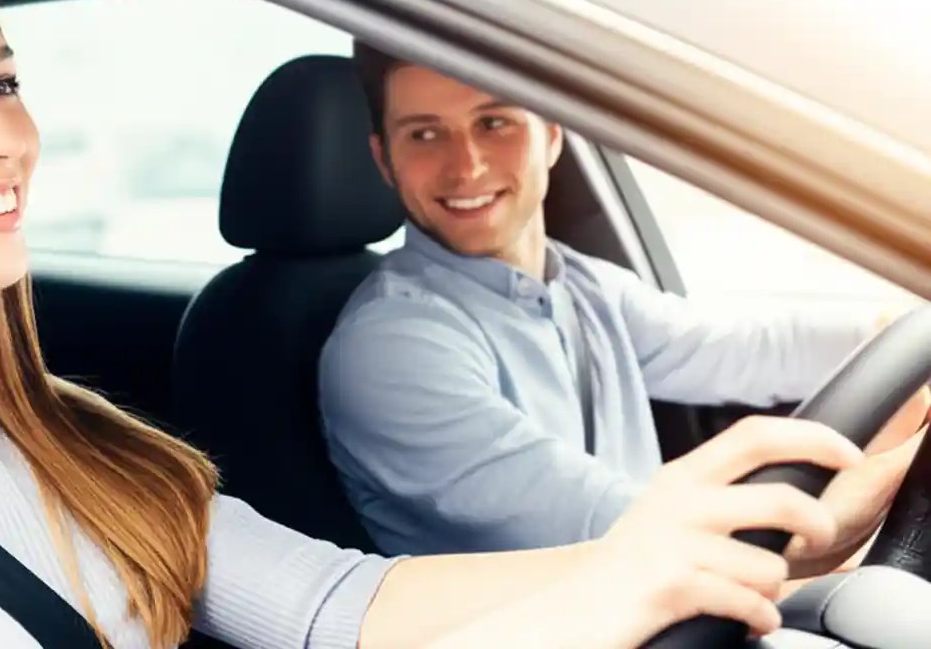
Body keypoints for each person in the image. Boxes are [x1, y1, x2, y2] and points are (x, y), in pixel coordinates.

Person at [0, 0, 914, 649]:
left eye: (4, 81)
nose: (6, 138)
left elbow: (335, 602)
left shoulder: (73, 433)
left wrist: (642, 559)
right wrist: (609, 588)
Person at [318, 41, 930, 557]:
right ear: (384, 159)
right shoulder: (389, 347)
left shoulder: (578, 284)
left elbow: (731, 347)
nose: (466, 166)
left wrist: (892, 331)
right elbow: (626, 532)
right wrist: (890, 473)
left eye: (494, 122)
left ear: (552, 133)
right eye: (425, 134)